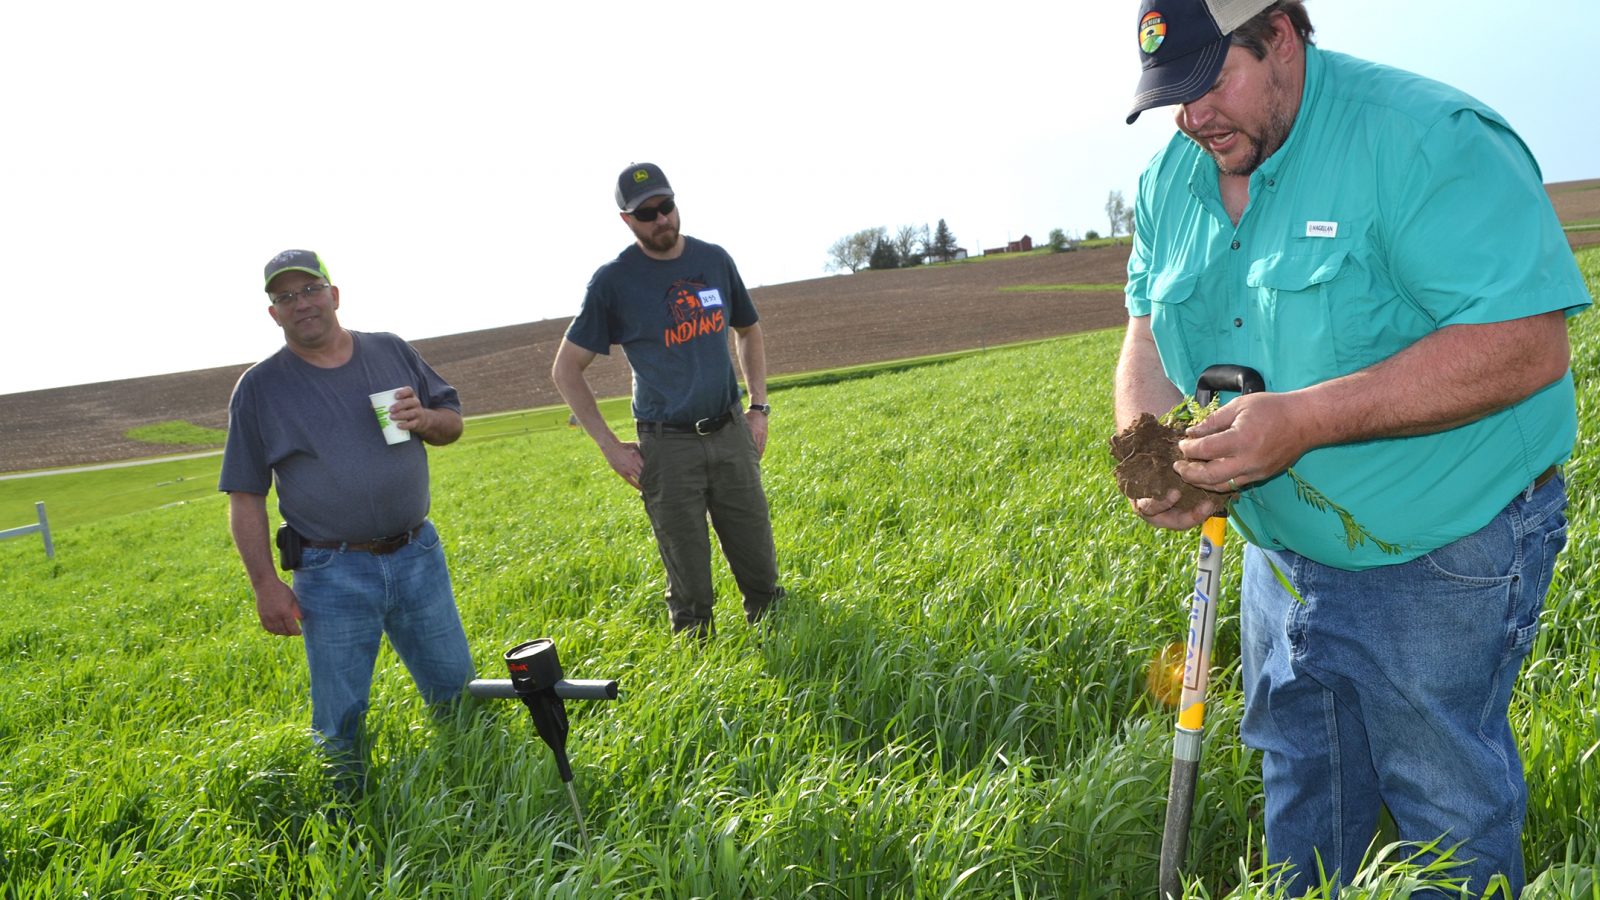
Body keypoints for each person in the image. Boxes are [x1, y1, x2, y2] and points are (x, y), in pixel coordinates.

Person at [1116, 1, 1589, 894]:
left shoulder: (1424, 141)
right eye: (1173, 96)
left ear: (1283, 38)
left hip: (1439, 544)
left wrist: (1303, 423)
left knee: (1444, 812)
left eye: (1214, 81)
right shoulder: (1171, 179)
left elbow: (1528, 343)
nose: (1194, 117)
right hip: (1278, 554)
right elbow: (1147, 320)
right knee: (1300, 783)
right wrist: (1149, 450)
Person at [220, 249, 477, 795]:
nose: (301, 304)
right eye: (285, 297)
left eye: (310, 290)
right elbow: (245, 496)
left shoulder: (389, 350)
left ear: (334, 295)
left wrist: (425, 418)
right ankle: (348, 818)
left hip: (417, 556)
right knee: (339, 720)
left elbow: (451, 422)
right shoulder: (260, 388)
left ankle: (477, 787)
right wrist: (265, 585)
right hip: (329, 570)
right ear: (274, 314)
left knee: (457, 691)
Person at [552, 162, 783, 637]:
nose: (661, 220)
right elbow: (565, 370)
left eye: (666, 207)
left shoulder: (714, 260)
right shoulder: (613, 282)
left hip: (730, 432)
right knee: (690, 586)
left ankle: (786, 648)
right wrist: (610, 447)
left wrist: (758, 408)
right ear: (626, 220)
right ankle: (702, 677)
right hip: (667, 447)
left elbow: (749, 330)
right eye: (646, 213)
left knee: (761, 570)